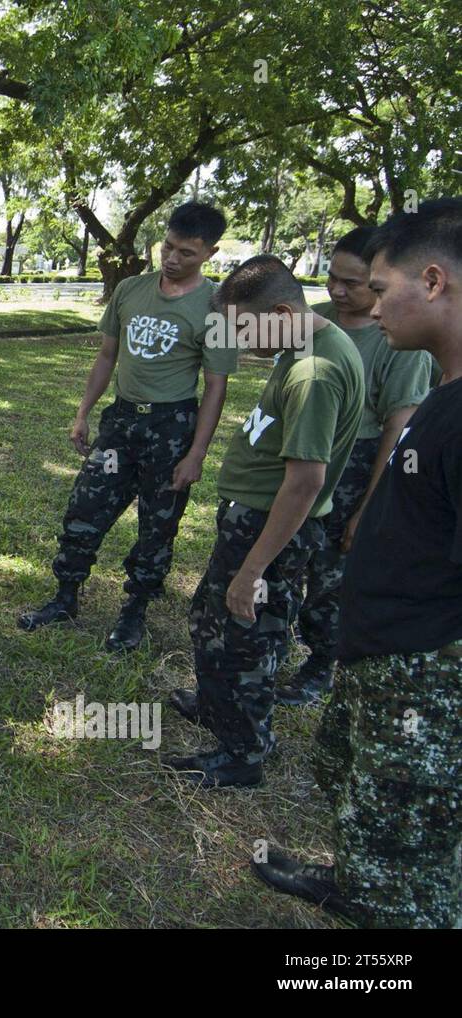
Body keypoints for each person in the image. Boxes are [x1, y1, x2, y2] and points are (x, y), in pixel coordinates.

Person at [253, 198, 462, 928]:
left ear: (432, 282)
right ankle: (359, 882)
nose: (367, 306)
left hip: (427, 677)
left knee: (417, 849)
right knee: (368, 800)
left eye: (378, 288)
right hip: (383, 656)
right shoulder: (444, 391)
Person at [165, 256, 364, 788]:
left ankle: (243, 753)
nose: (243, 343)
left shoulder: (314, 372)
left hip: (266, 528)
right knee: (213, 619)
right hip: (249, 518)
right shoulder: (302, 341)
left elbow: (305, 482)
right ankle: (216, 706)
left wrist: (253, 570)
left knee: (247, 637)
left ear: (279, 311)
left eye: (246, 329)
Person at [18, 203, 238, 652]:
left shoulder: (217, 310)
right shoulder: (131, 290)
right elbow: (106, 356)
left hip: (172, 425)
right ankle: (64, 598)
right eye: (169, 247)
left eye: (187, 254)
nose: (173, 259)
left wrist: (196, 453)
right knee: (85, 508)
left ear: (210, 253)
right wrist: (83, 411)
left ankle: (134, 611)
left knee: (157, 528)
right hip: (120, 421)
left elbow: (216, 387)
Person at [279, 226, 433, 705]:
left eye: (355, 283)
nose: (339, 291)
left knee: (329, 573)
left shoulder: (399, 341)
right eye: (332, 278)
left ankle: (323, 661)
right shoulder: (316, 322)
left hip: (357, 462)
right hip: (304, 450)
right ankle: (275, 643)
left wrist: (368, 504)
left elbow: (397, 428)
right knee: (288, 554)